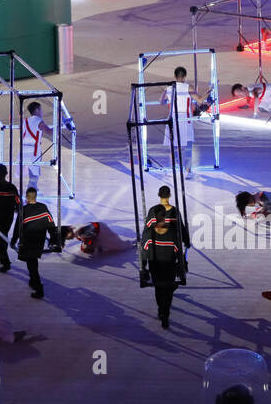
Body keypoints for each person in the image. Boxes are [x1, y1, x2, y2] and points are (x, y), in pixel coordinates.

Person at [141, 185, 188, 329]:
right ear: (170, 195)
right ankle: (165, 311)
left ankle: (162, 311)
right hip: (169, 262)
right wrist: (186, 241)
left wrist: (143, 268)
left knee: (159, 287)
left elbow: (146, 235)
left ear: (158, 194)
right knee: (168, 287)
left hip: (154, 262)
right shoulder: (174, 213)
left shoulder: (153, 212)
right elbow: (180, 229)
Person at [11, 186, 60, 299]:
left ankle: (38, 288)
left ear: (27, 198)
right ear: (35, 197)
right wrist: (54, 241)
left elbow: (17, 229)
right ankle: (33, 281)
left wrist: (13, 241)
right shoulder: (43, 207)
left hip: (28, 242)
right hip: (39, 241)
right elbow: (51, 226)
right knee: (32, 263)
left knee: (32, 265)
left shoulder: (23, 210)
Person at [160, 67, 197, 176]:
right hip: (185, 118)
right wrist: (209, 92)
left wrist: (165, 91)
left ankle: (177, 169)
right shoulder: (188, 87)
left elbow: (161, 101)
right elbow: (199, 100)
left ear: (174, 76)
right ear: (185, 76)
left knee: (175, 145)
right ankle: (188, 170)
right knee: (188, 145)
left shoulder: (169, 87)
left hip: (173, 117)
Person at [60, 221, 130, 256]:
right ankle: (98, 246)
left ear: (68, 232)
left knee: (120, 246)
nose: (68, 239)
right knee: (86, 249)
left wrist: (92, 245)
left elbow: (93, 237)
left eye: (67, 237)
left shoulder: (81, 231)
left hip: (101, 231)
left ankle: (134, 242)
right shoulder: (71, 229)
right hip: (92, 232)